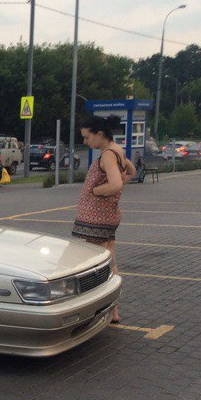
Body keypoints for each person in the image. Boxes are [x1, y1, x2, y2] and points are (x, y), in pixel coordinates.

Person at [72, 115, 136, 323]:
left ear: (99, 134)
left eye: (86, 137)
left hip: (95, 219)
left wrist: (97, 191)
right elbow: (131, 171)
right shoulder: (117, 150)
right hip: (107, 216)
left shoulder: (108, 155)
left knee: (86, 263)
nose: (85, 142)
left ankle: (97, 306)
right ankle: (113, 309)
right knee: (109, 261)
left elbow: (116, 184)